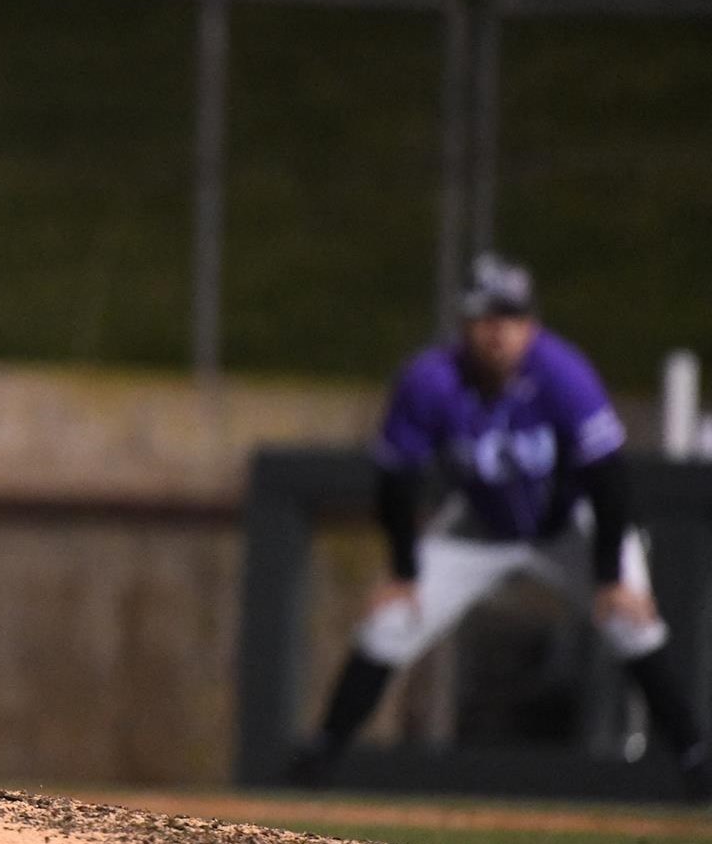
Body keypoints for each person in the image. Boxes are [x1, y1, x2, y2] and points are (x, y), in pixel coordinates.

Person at [287, 254, 708, 799]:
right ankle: (320, 756)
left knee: (634, 625)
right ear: (464, 325)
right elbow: (397, 481)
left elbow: (608, 478)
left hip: (567, 524)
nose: (497, 332)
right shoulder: (430, 380)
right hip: (480, 525)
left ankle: (695, 759)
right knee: (388, 622)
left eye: (509, 318)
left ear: (530, 324)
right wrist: (404, 569)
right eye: (485, 318)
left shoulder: (561, 372)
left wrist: (610, 574)